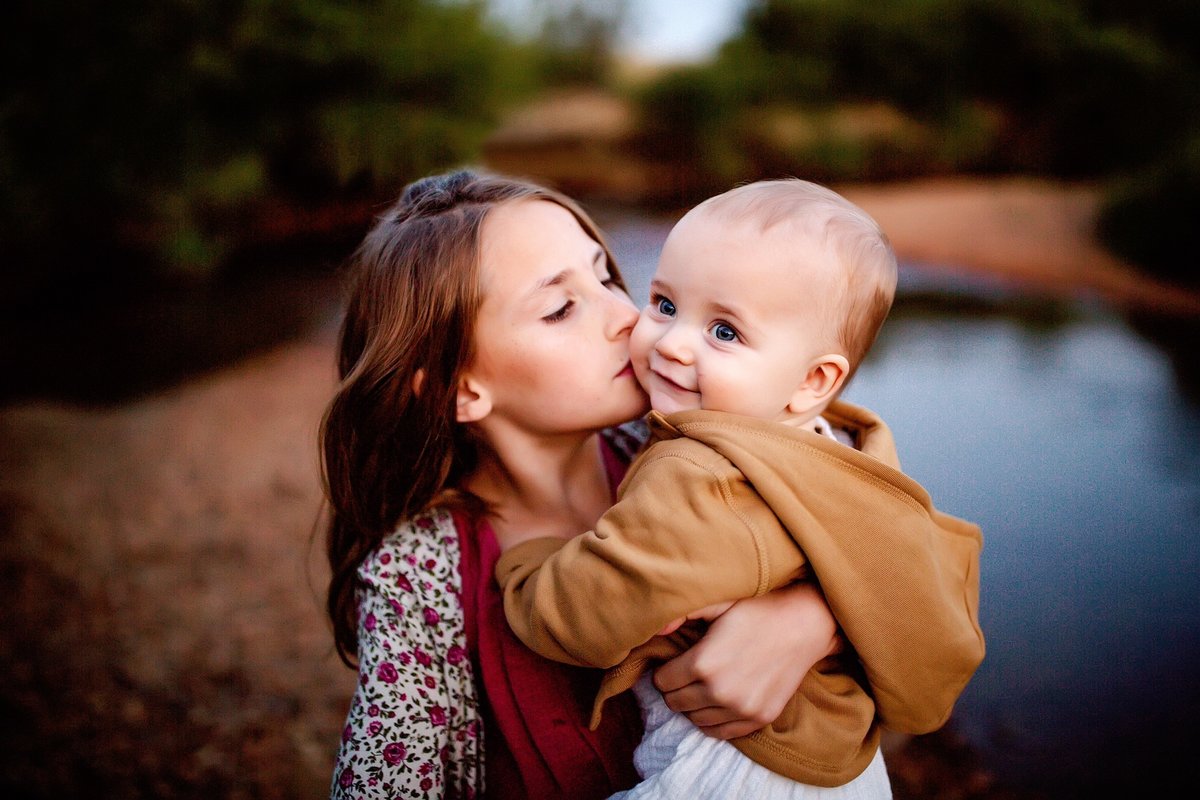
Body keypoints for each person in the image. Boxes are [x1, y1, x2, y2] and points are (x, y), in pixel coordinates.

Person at [322, 170, 848, 800]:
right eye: (561, 308)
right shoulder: (417, 578)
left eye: (605, 275)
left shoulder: (705, 450)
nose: (628, 317)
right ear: (455, 388)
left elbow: (916, 558)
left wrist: (815, 618)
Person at [495, 179, 986, 798]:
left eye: (724, 332)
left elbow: (585, 615)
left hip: (732, 774)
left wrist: (526, 566)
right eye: (666, 304)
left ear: (812, 379)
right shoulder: (835, 448)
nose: (670, 343)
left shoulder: (703, 476)